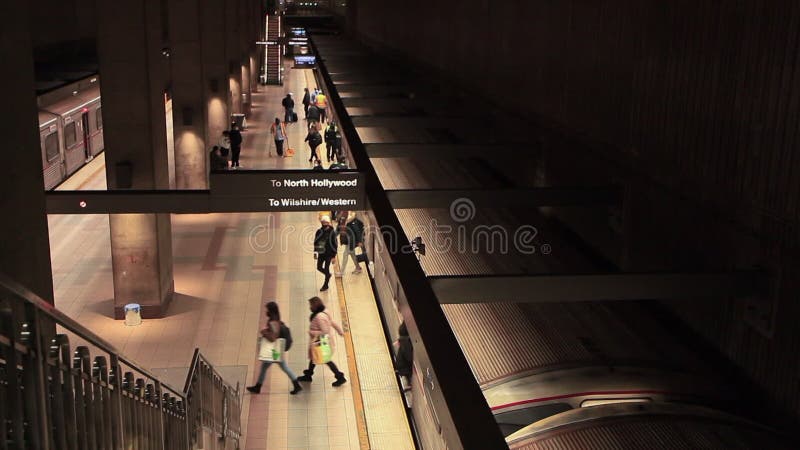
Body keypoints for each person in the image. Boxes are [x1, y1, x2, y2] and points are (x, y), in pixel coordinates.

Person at [246, 302, 302, 395]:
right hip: (276, 350)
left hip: (274, 351)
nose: (266, 312)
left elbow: (273, 338)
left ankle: (258, 387)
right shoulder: (277, 319)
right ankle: (296, 385)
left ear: (271, 311)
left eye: (267, 310)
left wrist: (264, 332)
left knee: (280, 367)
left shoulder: (273, 322)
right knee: (276, 367)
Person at [296, 296, 347, 386]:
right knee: (313, 357)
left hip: (321, 342)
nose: (310, 307)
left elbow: (325, 331)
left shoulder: (319, 317)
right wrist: (339, 331)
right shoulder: (324, 312)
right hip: (321, 341)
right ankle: (308, 375)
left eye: (311, 305)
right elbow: (331, 322)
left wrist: (312, 332)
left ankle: (340, 377)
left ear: (315, 306)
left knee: (325, 359)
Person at [337, 211, 365, 275]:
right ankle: (358, 268)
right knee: (352, 255)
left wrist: (360, 241)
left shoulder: (352, 221)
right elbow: (339, 228)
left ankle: (342, 272)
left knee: (345, 255)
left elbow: (358, 232)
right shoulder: (343, 220)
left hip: (352, 241)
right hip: (348, 240)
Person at [313, 215, 337, 291]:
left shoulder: (332, 233)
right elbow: (316, 242)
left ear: (328, 223)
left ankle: (325, 285)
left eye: (325, 223)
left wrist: (334, 256)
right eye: (323, 222)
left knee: (327, 269)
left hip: (329, 254)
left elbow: (335, 244)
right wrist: (315, 252)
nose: (324, 224)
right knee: (319, 267)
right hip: (321, 253)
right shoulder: (319, 231)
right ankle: (328, 275)